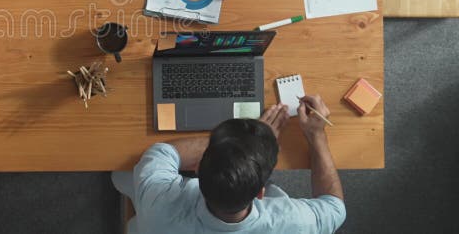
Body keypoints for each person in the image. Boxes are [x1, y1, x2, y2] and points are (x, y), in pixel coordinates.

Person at [112, 96, 345, 233]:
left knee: (121, 175)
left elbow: (161, 152)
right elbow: (335, 208)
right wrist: (316, 136)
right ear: (261, 193)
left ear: (197, 169)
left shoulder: (159, 204)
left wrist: (239, 143)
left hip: (156, 225)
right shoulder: (291, 223)